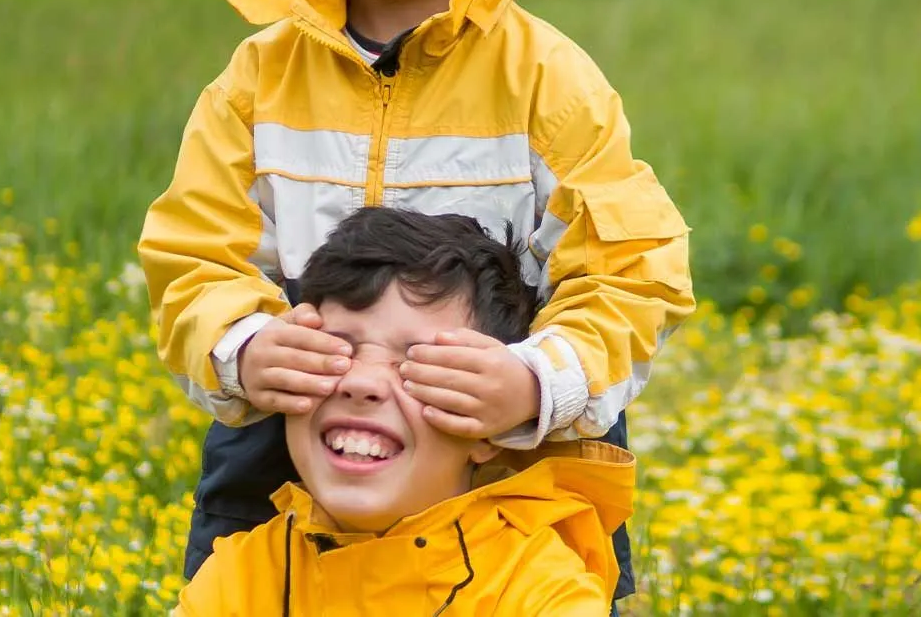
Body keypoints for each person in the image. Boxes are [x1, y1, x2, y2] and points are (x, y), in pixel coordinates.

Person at [139, 0, 694, 607]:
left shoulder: (548, 82)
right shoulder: (257, 81)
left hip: (504, 461)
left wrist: (533, 381)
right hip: (305, 437)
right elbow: (192, 259)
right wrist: (246, 348)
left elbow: (633, 274)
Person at [173, 208, 636, 616]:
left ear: (491, 427)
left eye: (417, 360)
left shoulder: (541, 592)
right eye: (335, 350)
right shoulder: (237, 577)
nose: (362, 382)